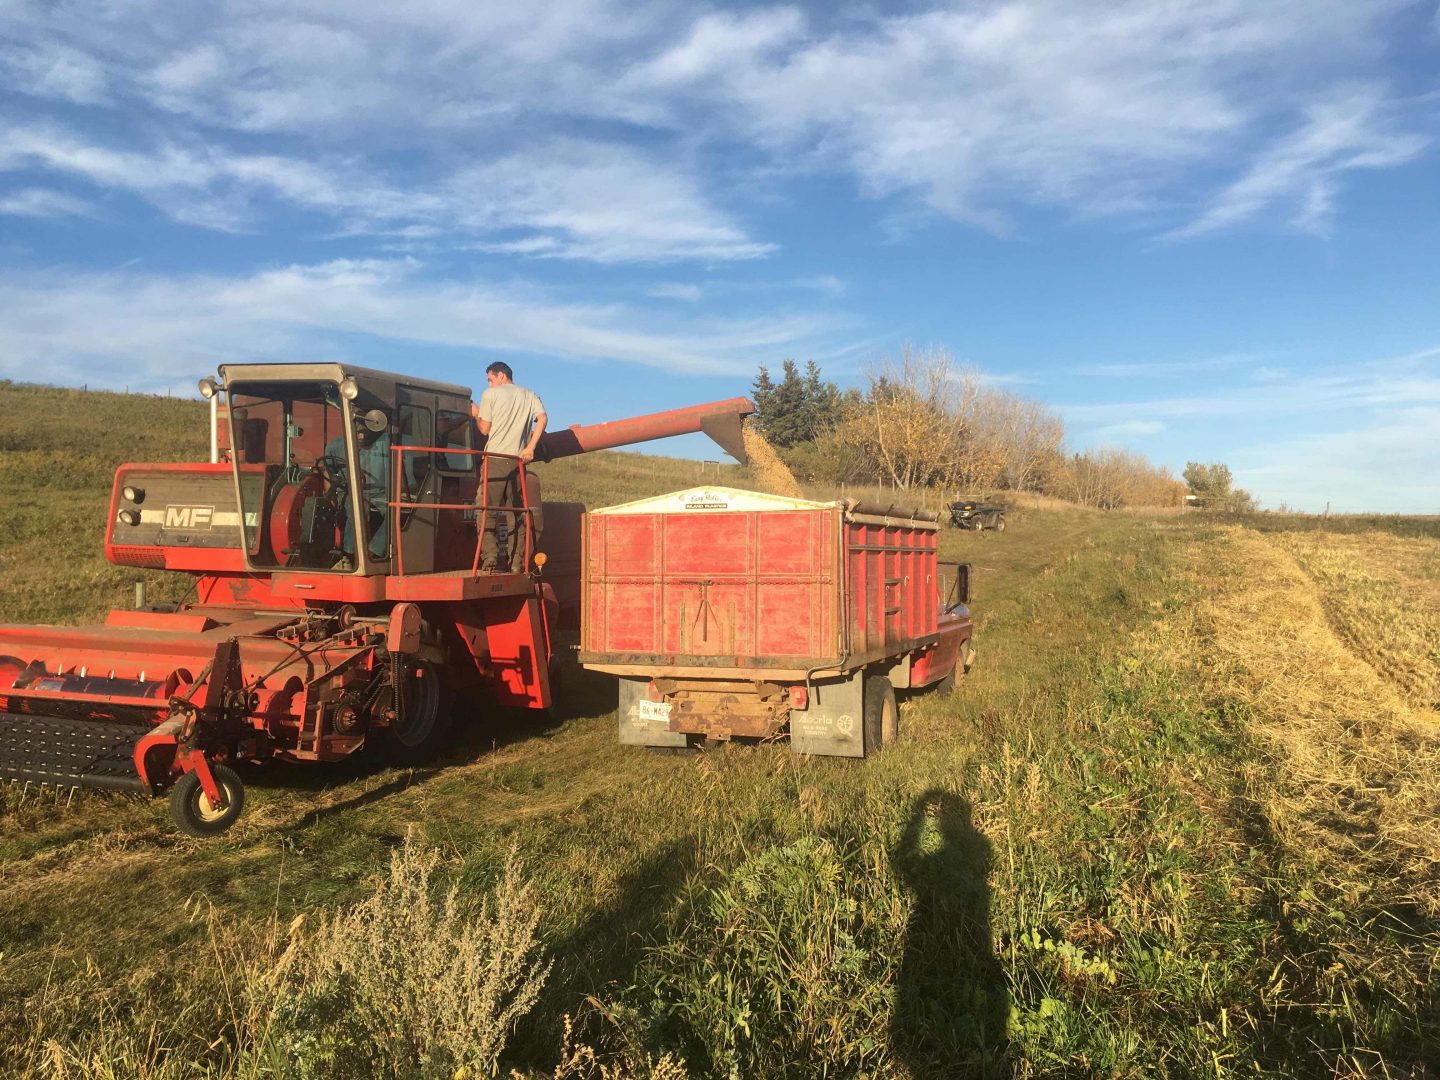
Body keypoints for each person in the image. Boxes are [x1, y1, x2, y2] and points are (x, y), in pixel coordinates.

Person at [472, 361, 546, 571]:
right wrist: (530, 447)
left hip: (495, 459)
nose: (489, 383)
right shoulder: (529, 395)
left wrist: (476, 414)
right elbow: (542, 418)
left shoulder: (490, 395)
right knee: (517, 513)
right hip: (518, 462)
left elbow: (485, 429)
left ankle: (490, 557)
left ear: (501, 375)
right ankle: (516, 563)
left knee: (485, 509)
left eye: (490, 379)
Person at [321, 408, 392, 565]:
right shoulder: (335, 446)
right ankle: (350, 555)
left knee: (395, 511)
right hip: (348, 492)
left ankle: (374, 551)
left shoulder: (385, 443)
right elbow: (328, 472)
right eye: (358, 431)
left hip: (379, 493)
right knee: (358, 509)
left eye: (365, 432)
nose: (361, 436)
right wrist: (330, 497)